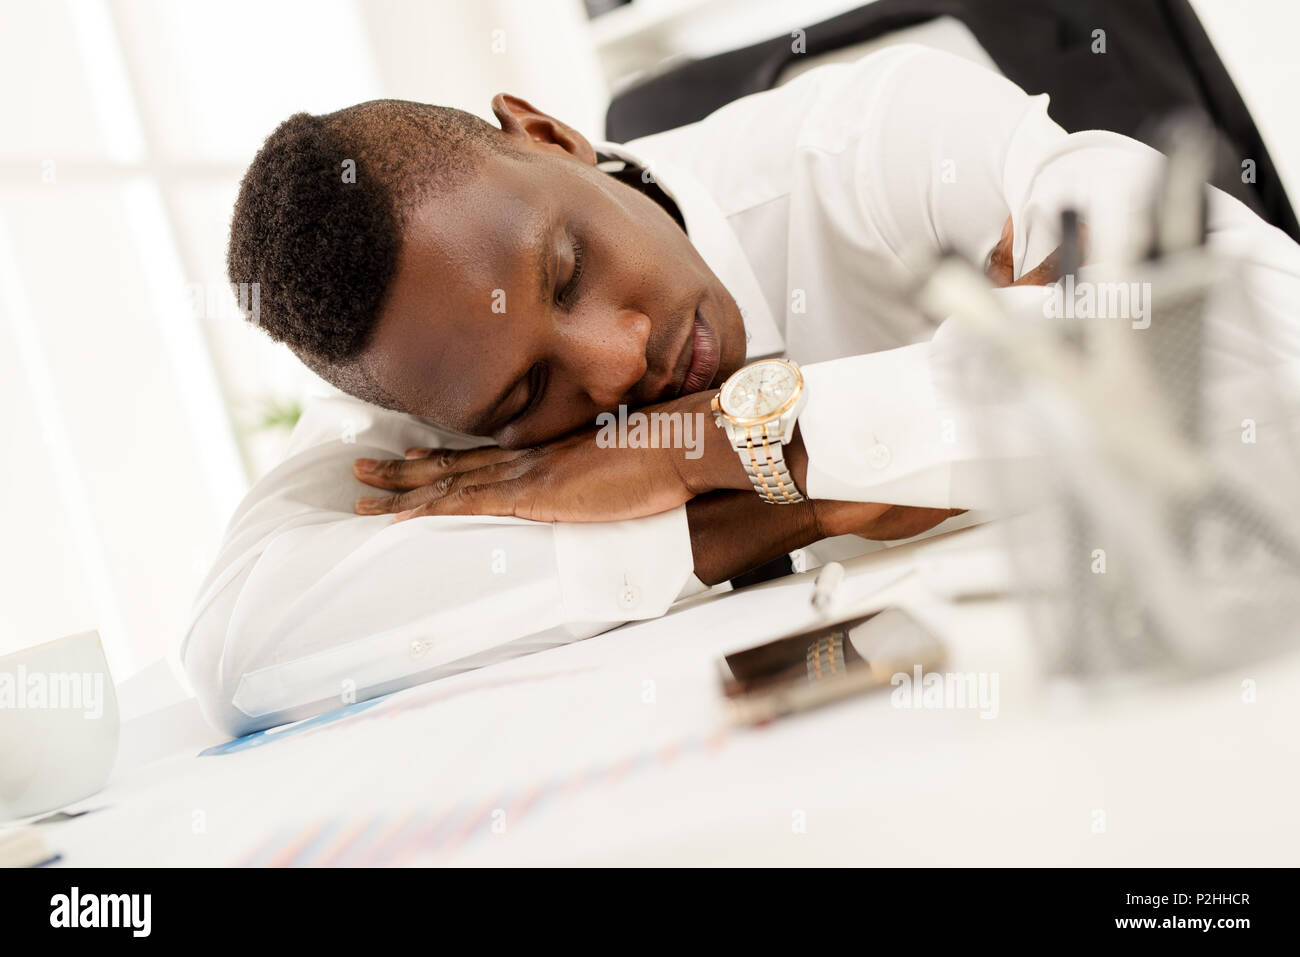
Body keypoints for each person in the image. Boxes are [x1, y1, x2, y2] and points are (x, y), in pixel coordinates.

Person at [184, 44, 1300, 735]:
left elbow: (1257, 335)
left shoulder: (870, 141)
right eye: (527, 399)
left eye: (567, 269)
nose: (617, 363)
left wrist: (716, 446)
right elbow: (244, 648)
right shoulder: (432, 395)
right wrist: (797, 493)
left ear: (552, 136)